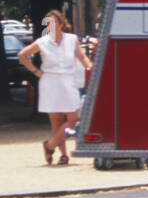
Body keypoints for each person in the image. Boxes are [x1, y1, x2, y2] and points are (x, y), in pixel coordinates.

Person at [16, 10, 92, 165]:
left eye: (53, 22)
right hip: (49, 82)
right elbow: (22, 55)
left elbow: (82, 57)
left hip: (67, 81)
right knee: (56, 121)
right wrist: (36, 72)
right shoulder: (42, 42)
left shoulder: (71, 40)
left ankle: (49, 146)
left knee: (73, 118)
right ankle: (63, 155)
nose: (50, 26)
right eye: (47, 23)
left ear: (62, 24)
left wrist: (90, 69)